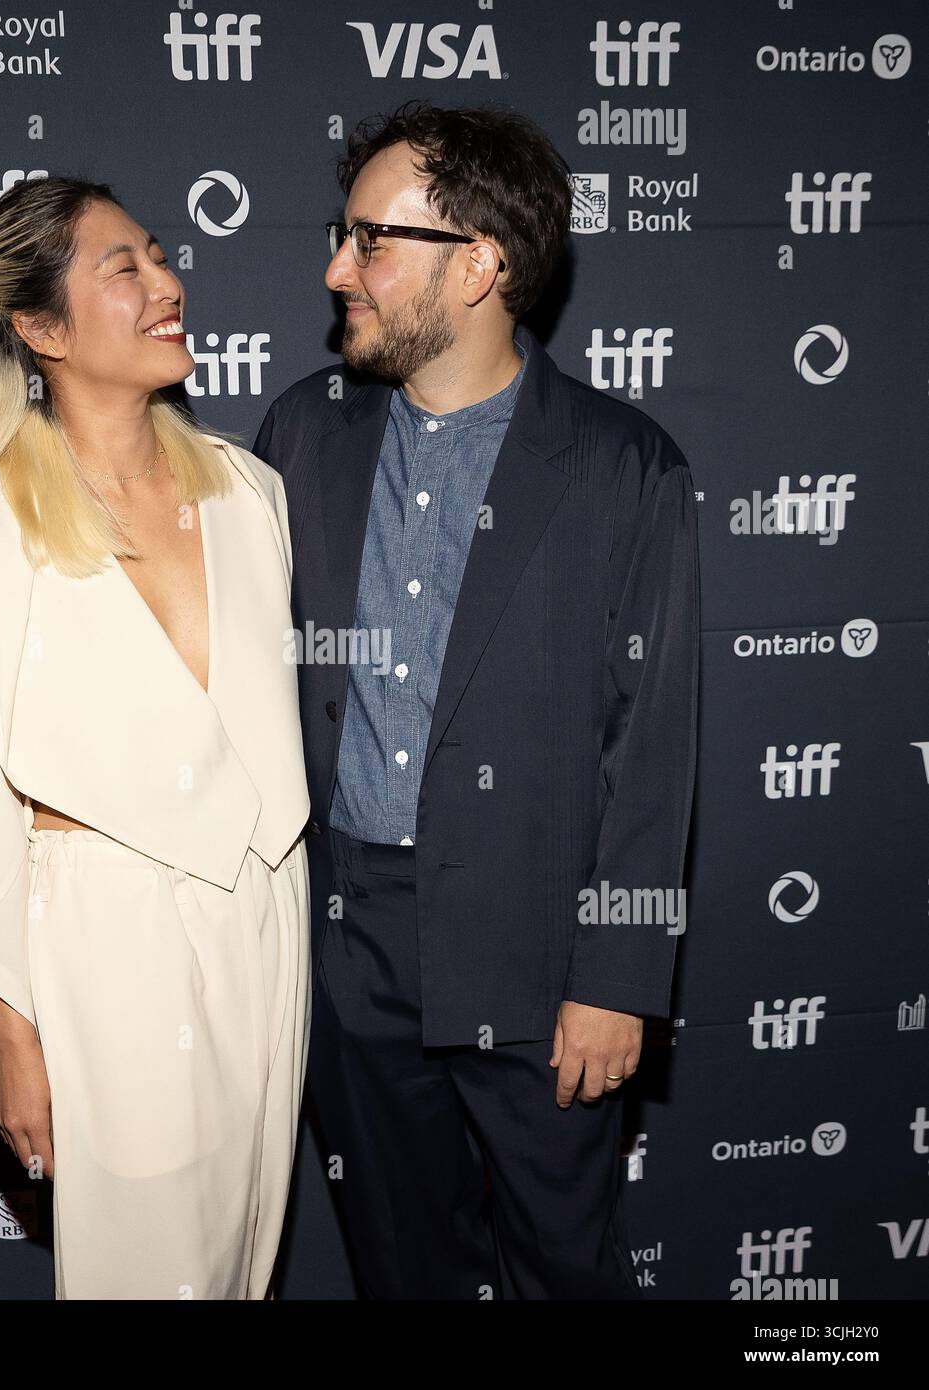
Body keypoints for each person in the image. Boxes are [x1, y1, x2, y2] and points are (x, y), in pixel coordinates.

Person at [253, 102, 700, 1299]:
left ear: (482, 267)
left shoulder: (622, 465)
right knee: (402, 1266)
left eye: (371, 243)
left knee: (565, 1267)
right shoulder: (301, 434)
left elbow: (650, 750)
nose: (335, 269)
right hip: (348, 954)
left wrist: (617, 977)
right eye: (342, 237)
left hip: (540, 951)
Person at [0, 175, 311, 1299]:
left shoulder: (250, 493)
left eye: (160, 255)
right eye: (123, 267)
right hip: (103, 939)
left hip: (265, 912)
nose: (168, 282)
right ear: (39, 328)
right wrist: (14, 1042)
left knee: (243, 1258)